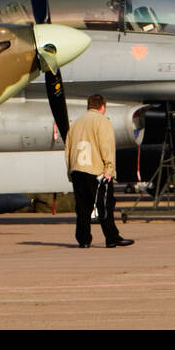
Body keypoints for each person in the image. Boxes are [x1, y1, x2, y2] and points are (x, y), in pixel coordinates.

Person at [64, 94, 133, 248]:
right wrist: (110, 168)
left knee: (82, 207)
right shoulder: (102, 122)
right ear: (103, 107)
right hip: (96, 171)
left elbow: (68, 148)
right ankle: (112, 237)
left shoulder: (75, 123)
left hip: (77, 169)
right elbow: (106, 146)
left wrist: (70, 170)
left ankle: (83, 239)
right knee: (105, 205)